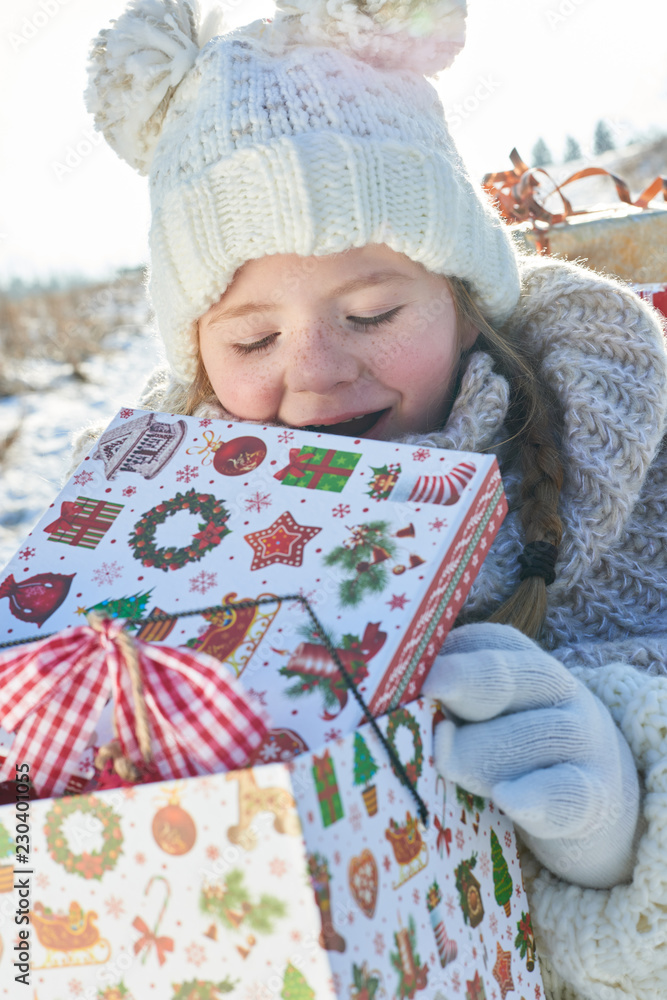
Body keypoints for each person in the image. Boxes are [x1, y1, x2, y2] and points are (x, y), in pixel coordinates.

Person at [82, 2, 667, 997]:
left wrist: (627, 829)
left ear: (465, 297)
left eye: (371, 312)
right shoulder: (148, 554)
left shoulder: (631, 459)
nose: (314, 379)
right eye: (254, 340)